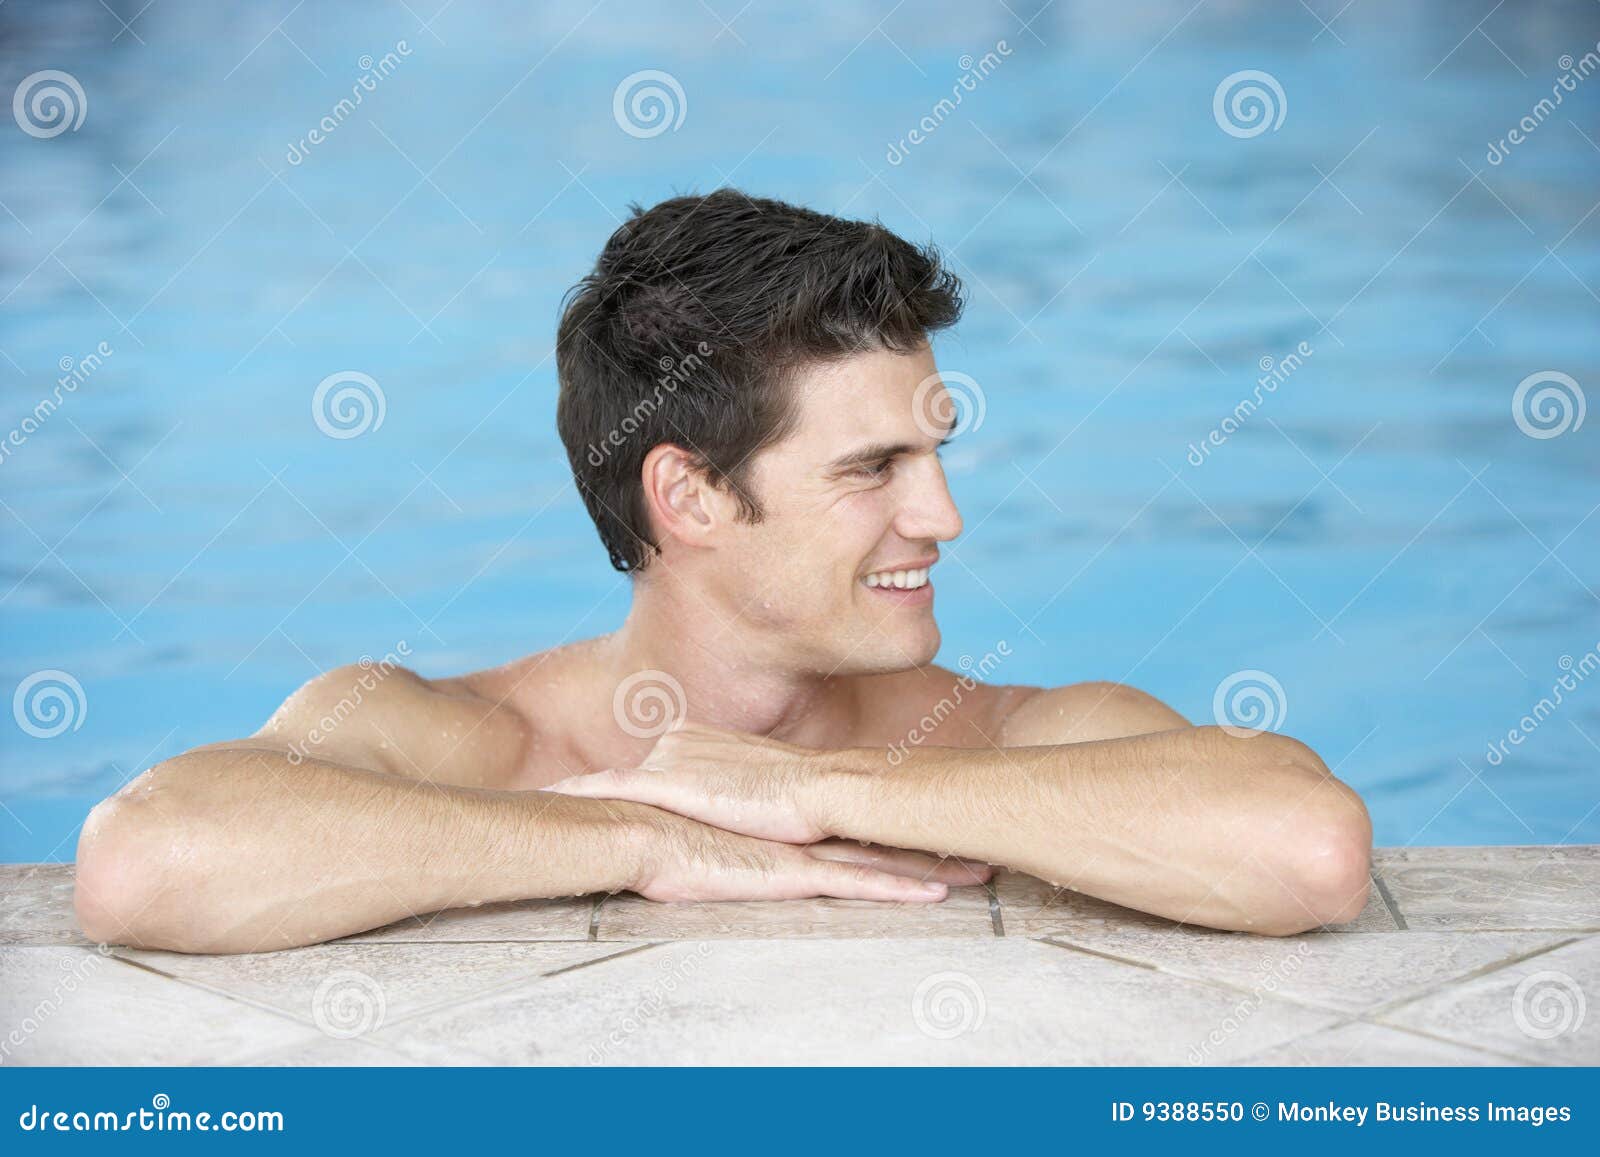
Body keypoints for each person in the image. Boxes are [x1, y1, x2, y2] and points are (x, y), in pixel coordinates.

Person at [75, 191, 1371, 954]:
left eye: (937, 450)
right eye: (875, 468)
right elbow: (146, 860)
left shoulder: (994, 739)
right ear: (689, 494)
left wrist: (804, 789)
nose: (945, 514)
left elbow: (1306, 845)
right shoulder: (469, 734)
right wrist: (638, 832)